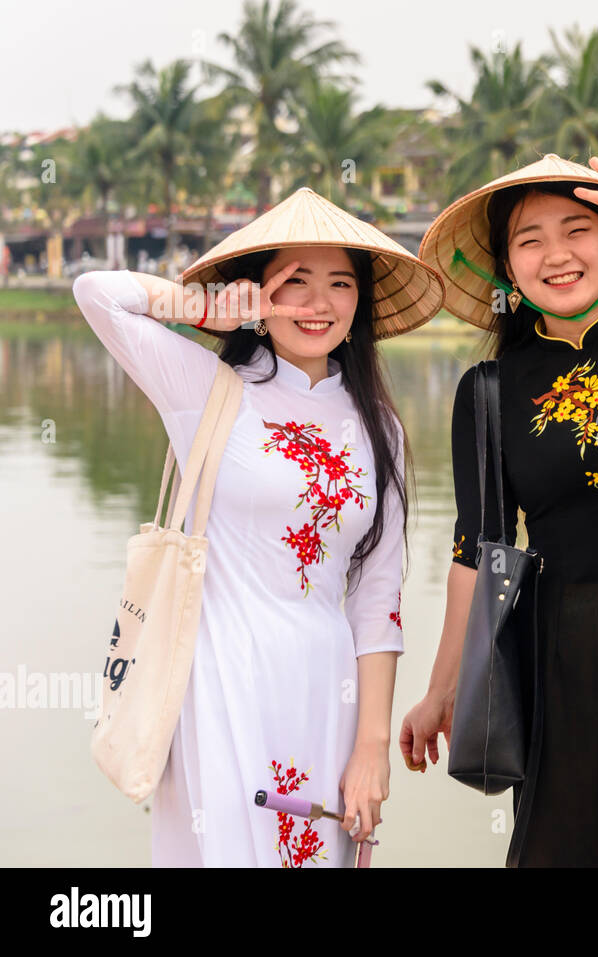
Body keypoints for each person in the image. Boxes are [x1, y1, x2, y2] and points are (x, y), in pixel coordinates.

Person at [73, 187, 445, 867]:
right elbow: (95, 291)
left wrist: (371, 746)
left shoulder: (378, 427)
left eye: (339, 283)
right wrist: (208, 309)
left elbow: (377, 597)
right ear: (258, 291)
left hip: (324, 689)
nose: (318, 302)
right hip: (216, 681)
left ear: (360, 301)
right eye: (292, 281)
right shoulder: (204, 387)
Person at [402, 154, 598, 867]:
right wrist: (440, 688)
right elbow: (476, 550)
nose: (556, 254)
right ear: (506, 270)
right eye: (529, 239)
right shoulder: (489, 391)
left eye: (577, 229)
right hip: (560, 660)